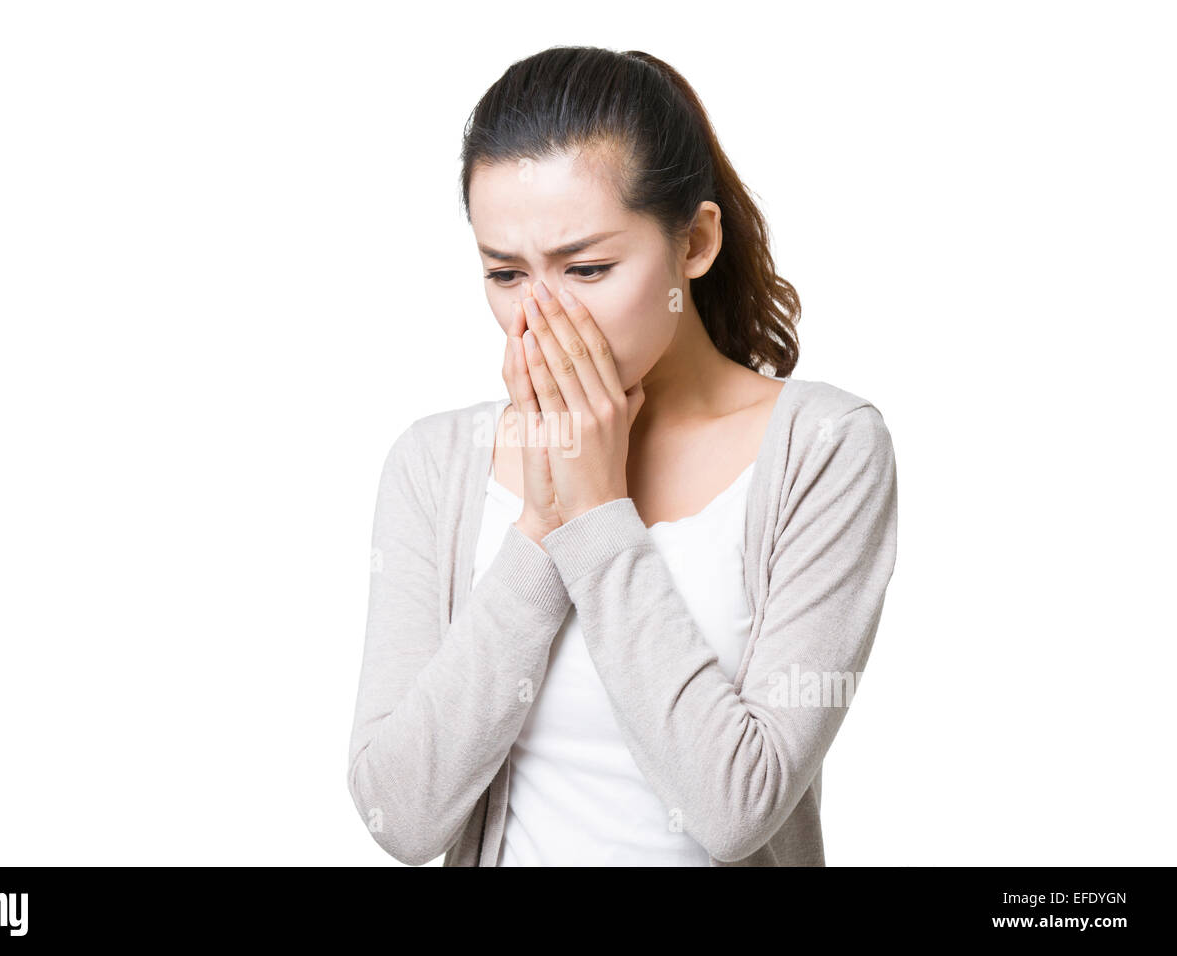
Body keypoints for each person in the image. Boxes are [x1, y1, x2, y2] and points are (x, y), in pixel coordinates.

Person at [347, 45, 899, 866]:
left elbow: (736, 807)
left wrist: (599, 515)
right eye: (505, 274)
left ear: (695, 244)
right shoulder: (435, 465)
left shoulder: (825, 449)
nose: (541, 318)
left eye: (589, 267)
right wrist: (540, 527)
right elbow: (402, 815)